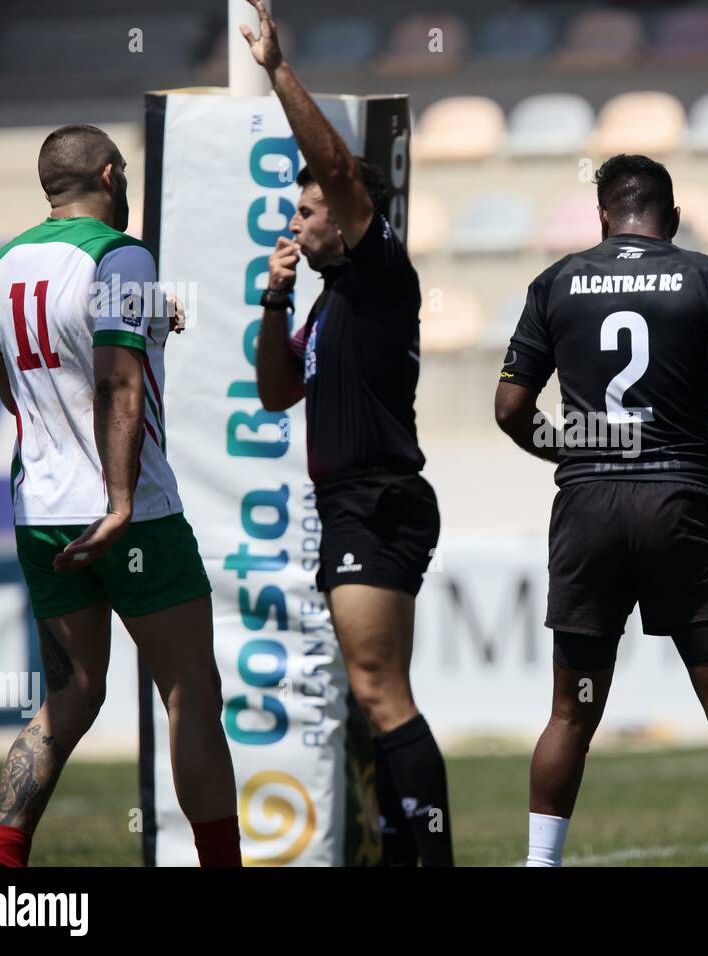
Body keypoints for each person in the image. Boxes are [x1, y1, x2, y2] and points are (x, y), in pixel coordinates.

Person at [495, 153, 708, 867]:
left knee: (570, 712)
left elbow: (511, 408)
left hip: (589, 509)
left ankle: (541, 864)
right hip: (682, 503)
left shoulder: (557, 282)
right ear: (676, 217)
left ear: (602, 215)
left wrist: (578, 450)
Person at [0, 123, 240, 867]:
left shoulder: (0, 265)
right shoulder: (120, 253)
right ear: (110, 172)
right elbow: (115, 381)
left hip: (41, 510)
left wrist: (151, 321)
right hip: (130, 515)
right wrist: (121, 503)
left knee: (70, 697)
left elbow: (18, 389)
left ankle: (1, 865)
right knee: (190, 690)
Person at [242, 0, 452, 866]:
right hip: (352, 501)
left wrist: (275, 71)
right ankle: (405, 853)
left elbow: (331, 164)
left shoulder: (376, 270)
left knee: (380, 692)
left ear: (347, 210)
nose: (297, 221)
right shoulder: (330, 301)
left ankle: (429, 858)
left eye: (308, 210)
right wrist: (274, 297)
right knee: (375, 698)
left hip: (376, 498)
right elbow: (274, 392)